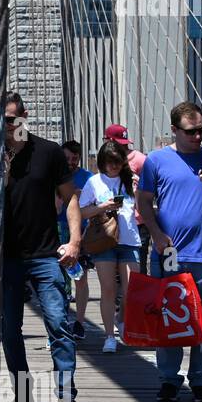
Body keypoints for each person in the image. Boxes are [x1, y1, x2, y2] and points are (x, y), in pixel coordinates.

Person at [1, 92, 87, 402]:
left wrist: (75, 241)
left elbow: (70, 198)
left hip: (45, 255)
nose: (7, 127)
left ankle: (66, 400)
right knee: (9, 331)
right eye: (1, 121)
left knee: (58, 325)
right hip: (5, 257)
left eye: (12, 119)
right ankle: (22, 398)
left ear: (25, 115)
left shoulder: (48, 152)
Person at [135, 101, 202, 402]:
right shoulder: (156, 161)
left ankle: (201, 381)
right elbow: (143, 201)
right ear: (174, 130)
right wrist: (157, 235)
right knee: (168, 318)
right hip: (170, 253)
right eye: (191, 131)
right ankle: (169, 380)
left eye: (201, 130)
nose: (198, 136)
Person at [78, 140, 141, 353]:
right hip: (104, 240)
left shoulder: (131, 181)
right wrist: (102, 207)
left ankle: (119, 318)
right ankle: (109, 337)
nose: (113, 166)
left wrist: (138, 189)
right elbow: (81, 212)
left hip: (129, 239)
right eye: (109, 162)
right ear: (102, 163)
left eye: (117, 162)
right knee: (108, 290)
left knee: (132, 290)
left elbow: (142, 208)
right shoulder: (94, 182)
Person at [104, 123, 150, 271]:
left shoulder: (139, 159)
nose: (122, 149)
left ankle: (135, 294)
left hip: (136, 221)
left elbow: (152, 184)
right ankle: (120, 294)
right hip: (113, 220)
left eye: (123, 145)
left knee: (138, 267)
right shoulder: (105, 159)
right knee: (114, 268)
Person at [60, 140, 92, 341]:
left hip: (79, 232)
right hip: (55, 230)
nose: (71, 162)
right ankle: (60, 323)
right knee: (58, 280)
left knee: (80, 278)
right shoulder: (52, 175)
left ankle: (79, 322)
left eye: (75, 159)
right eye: (67, 159)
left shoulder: (88, 178)